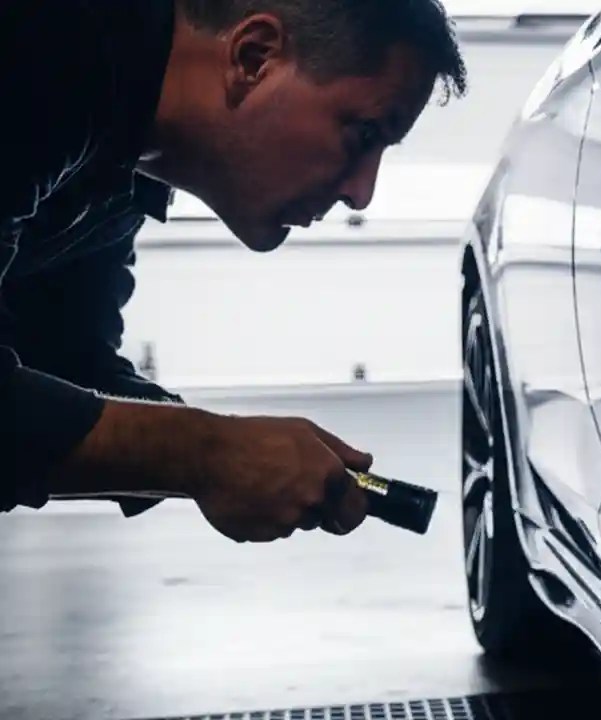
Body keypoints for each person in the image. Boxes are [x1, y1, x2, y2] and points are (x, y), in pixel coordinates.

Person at [0, 0, 467, 542]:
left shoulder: (122, 157)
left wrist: (240, 452)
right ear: (254, 57)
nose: (361, 193)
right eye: (363, 135)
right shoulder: (39, 41)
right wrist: (204, 452)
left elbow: (56, 357)